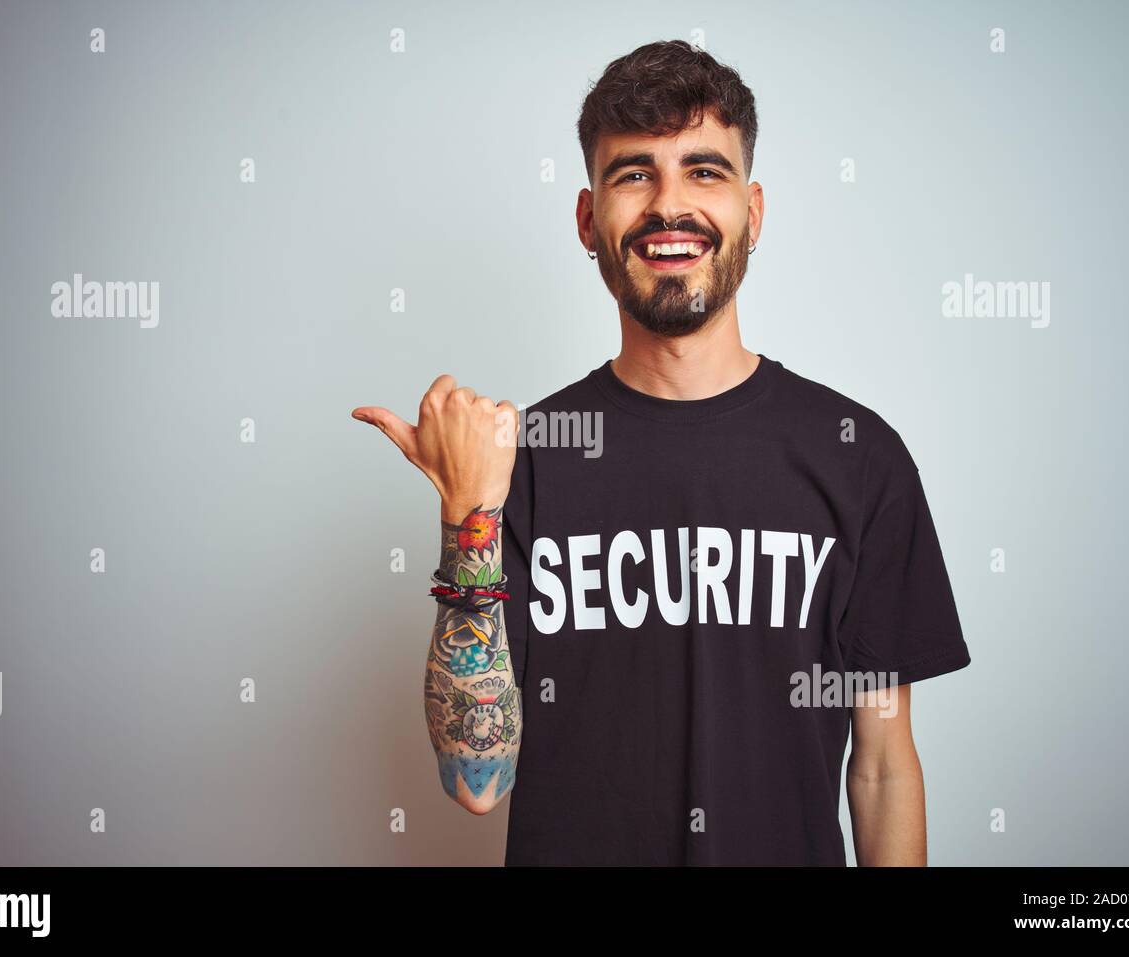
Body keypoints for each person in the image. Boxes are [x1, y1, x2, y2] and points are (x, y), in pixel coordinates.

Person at [352, 39, 971, 866]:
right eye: (634, 173)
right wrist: (469, 516)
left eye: (704, 171)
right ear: (587, 218)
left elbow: (886, 767)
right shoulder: (522, 465)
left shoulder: (859, 459)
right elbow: (476, 777)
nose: (670, 206)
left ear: (755, 211)